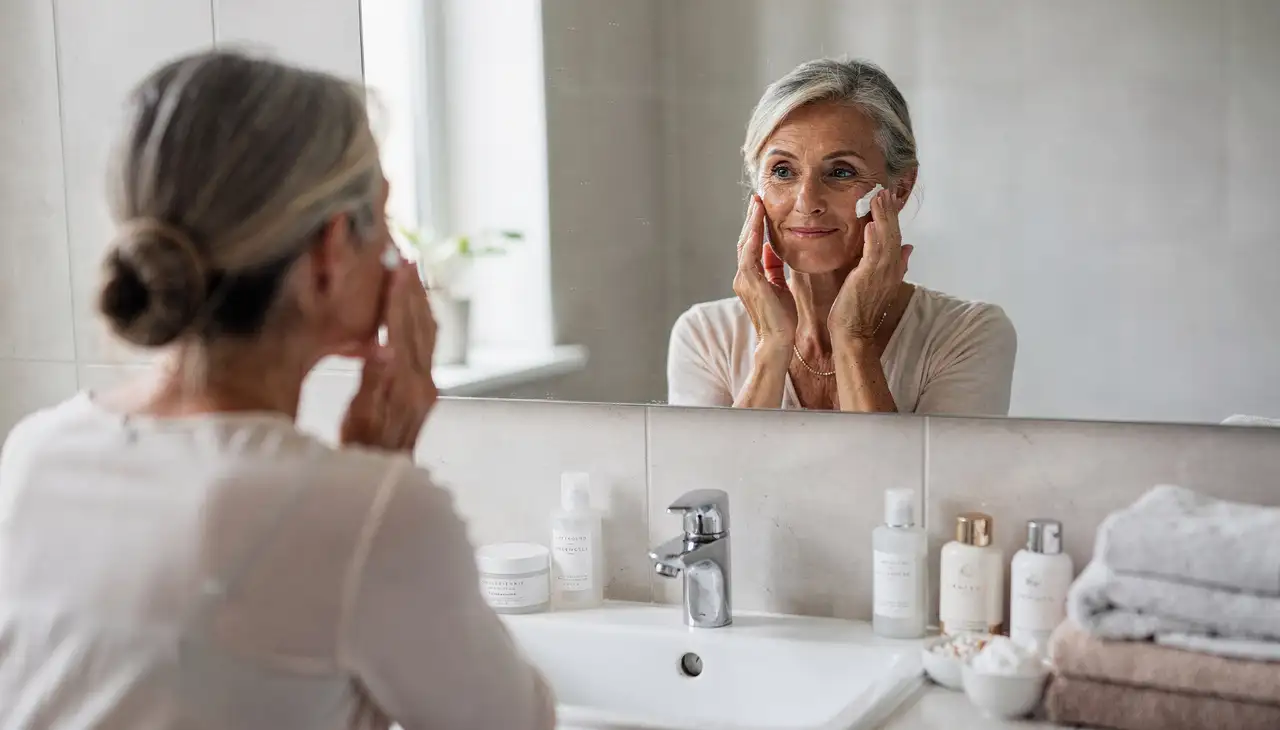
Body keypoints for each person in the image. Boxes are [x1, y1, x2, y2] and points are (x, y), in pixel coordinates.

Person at [0, 51, 554, 730]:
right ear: (328, 255)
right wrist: (382, 471)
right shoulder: (367, 513)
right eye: (382, 219)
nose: (397, 255)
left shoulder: (35, 455)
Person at [667, 58, 1016, 415]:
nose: (807, 202)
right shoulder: (706, 335)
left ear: (900, 189)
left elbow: (911, 473)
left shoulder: (968, 335)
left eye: (840, 171)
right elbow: (716, 472)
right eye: (783, 171)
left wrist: (853, 338)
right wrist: (773, 347)